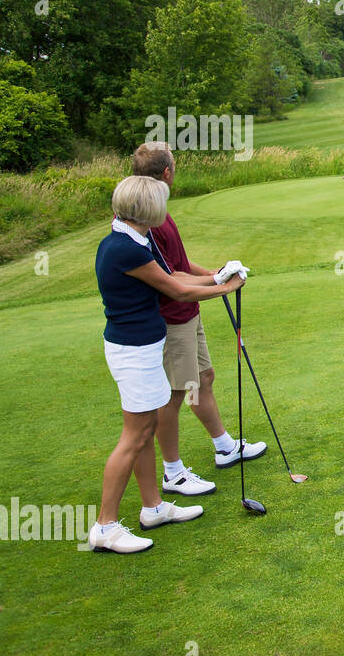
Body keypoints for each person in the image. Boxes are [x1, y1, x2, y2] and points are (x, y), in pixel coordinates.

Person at [90, 175, 246, 554]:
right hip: (134, 352)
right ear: (150, 210)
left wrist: (215, 276)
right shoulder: (126, 249)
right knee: (133, 437)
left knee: (146, 430)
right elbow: (174, 290)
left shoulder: (134, 239)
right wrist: (225, 289)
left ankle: (153, 508)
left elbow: (174, 275)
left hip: (142, 345)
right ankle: (104, 526)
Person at [132, 142, 265, 496]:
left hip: (188, 312)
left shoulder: (158, 209)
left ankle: (223, 446)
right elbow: (171, 279)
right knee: (175, 395)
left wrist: (215, 272)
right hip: (172, 317)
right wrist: (221, 284)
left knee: (204, 378)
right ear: (166, 173)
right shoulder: (149, 219)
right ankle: (173, 472)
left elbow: (180, 263)